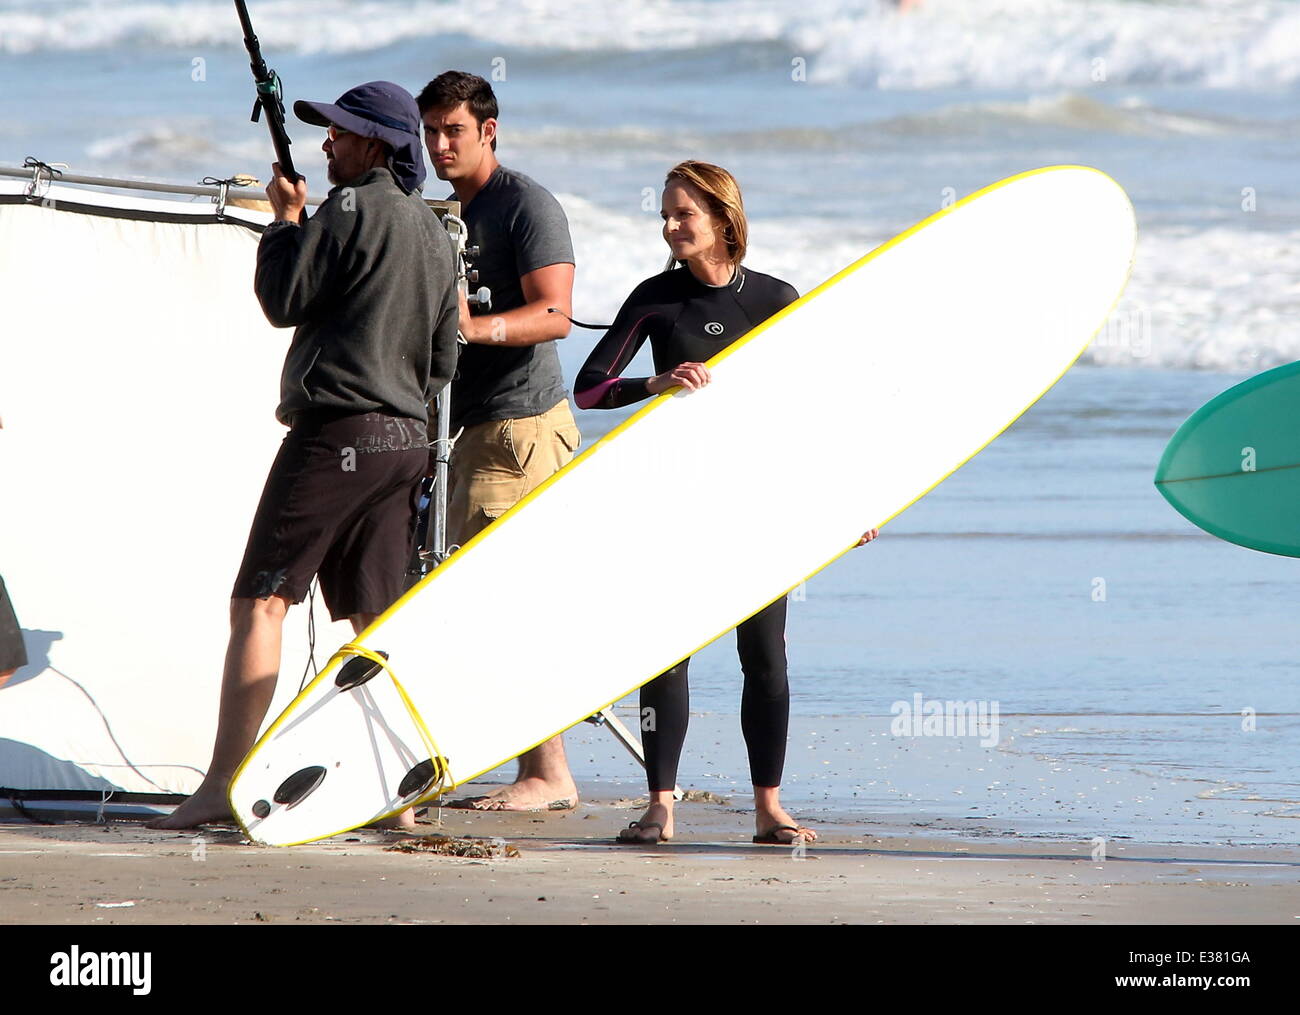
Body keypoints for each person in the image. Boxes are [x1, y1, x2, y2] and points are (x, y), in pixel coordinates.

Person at [151, 81, 460, 830]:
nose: (327, 144)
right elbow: (446, 359)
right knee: (373, 618)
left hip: (337, 434)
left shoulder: (348, 209)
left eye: (342, 134)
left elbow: (282, 298)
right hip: (404, 440)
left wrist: (285, 221)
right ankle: (397, 796)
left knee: (261, 598)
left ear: (378, 145)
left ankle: (222, 783)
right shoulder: (433, 231)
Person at [574, 161, 878, 845]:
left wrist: (846, 501)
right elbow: (590, 389)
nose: (670, 225)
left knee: (765, 655)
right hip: (675, 502)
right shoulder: (656, 298)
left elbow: (815, 411)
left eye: (684, 213)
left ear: (723, 219)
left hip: (757, 505)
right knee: (667, 653)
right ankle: (660, 805)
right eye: (665, 213)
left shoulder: (776, 298)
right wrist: (656, 382)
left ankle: (769, 808)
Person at [417, 70, 584, 812]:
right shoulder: (446, 210)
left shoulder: (525, 203)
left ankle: (547, 772)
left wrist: (471, 327)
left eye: (453, 130)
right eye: (429, 131)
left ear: (489, 130)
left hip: (522, 426)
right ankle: (521, 759)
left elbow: (554, 313)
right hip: (469, 428)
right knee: (481, 595)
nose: (439, 144)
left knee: (514, 594)